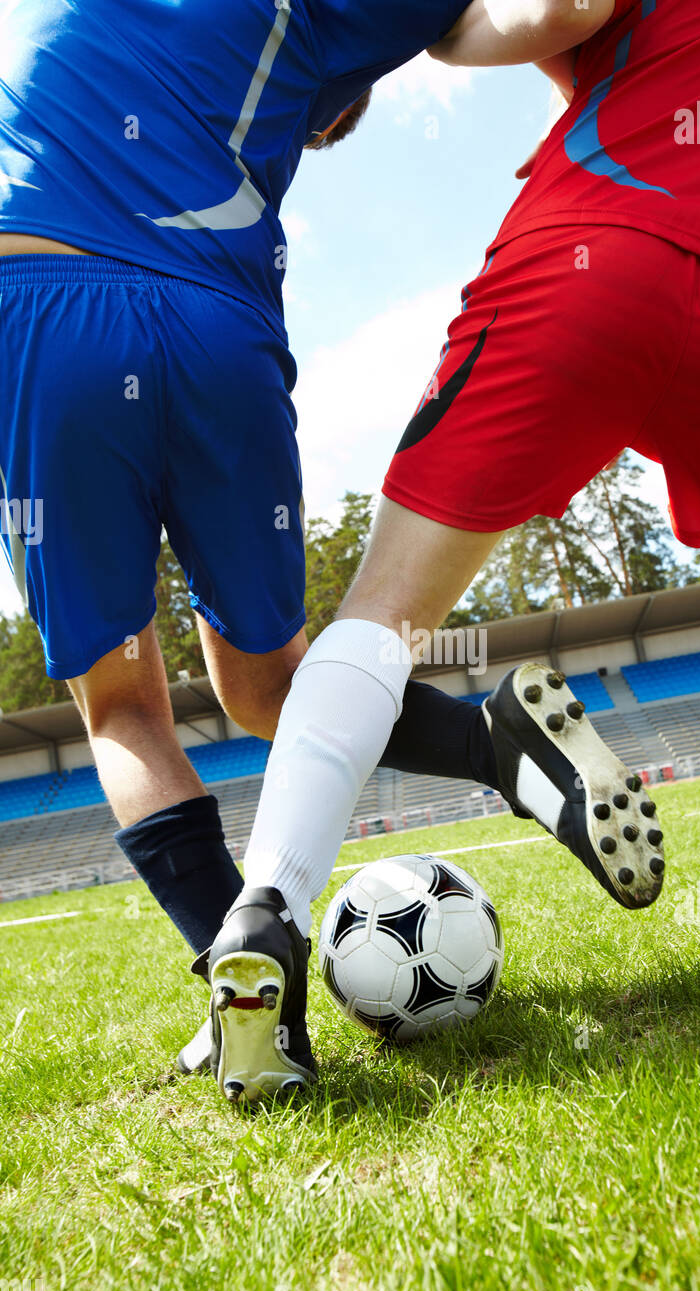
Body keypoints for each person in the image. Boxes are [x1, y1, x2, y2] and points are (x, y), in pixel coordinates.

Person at [207, 0, 700, 1104]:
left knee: (386, 611)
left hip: (592, 260)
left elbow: (559, 8)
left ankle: (266, 911)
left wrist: (412, 24)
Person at [1, 1, 653, 1010]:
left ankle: (250, 992)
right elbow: (517, 15)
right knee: (268, 688)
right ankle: (495, 744)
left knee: (125, 706)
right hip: (220, 332)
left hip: (40, 302)